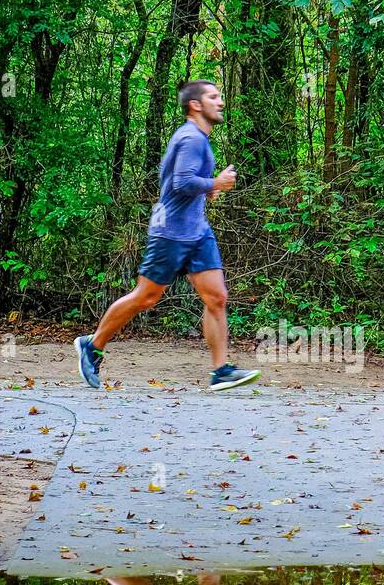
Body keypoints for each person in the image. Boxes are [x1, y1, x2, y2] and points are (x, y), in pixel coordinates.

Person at [75, 80, 260, 392]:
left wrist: (208, 189)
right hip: (171, 232)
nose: (221, 102)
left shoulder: (197, 138)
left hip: (197, 231)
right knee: (146, 297)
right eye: (213, 97)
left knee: (216, 297)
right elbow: (181, 183)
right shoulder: (191, 138)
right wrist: (214, 183)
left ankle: (221, 371)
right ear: (195, 105)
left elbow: (177, 178)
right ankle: (92, 346)